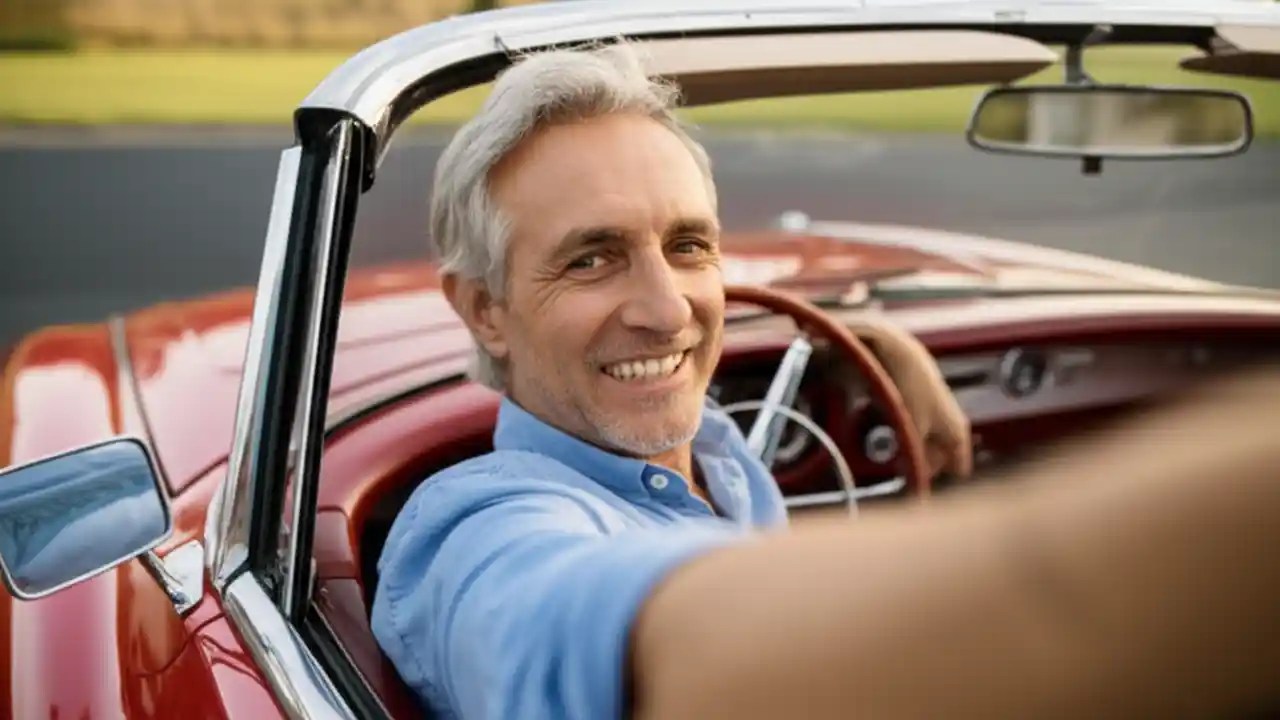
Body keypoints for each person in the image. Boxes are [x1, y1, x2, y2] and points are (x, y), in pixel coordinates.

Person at [372, 42, 1280, 719]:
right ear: (485, 309)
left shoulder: (721, 456)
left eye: (689, 245)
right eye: (591, 259)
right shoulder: (474, 536)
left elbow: (690, 313)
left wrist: (866, 335)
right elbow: (655, 651)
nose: (667, 308)